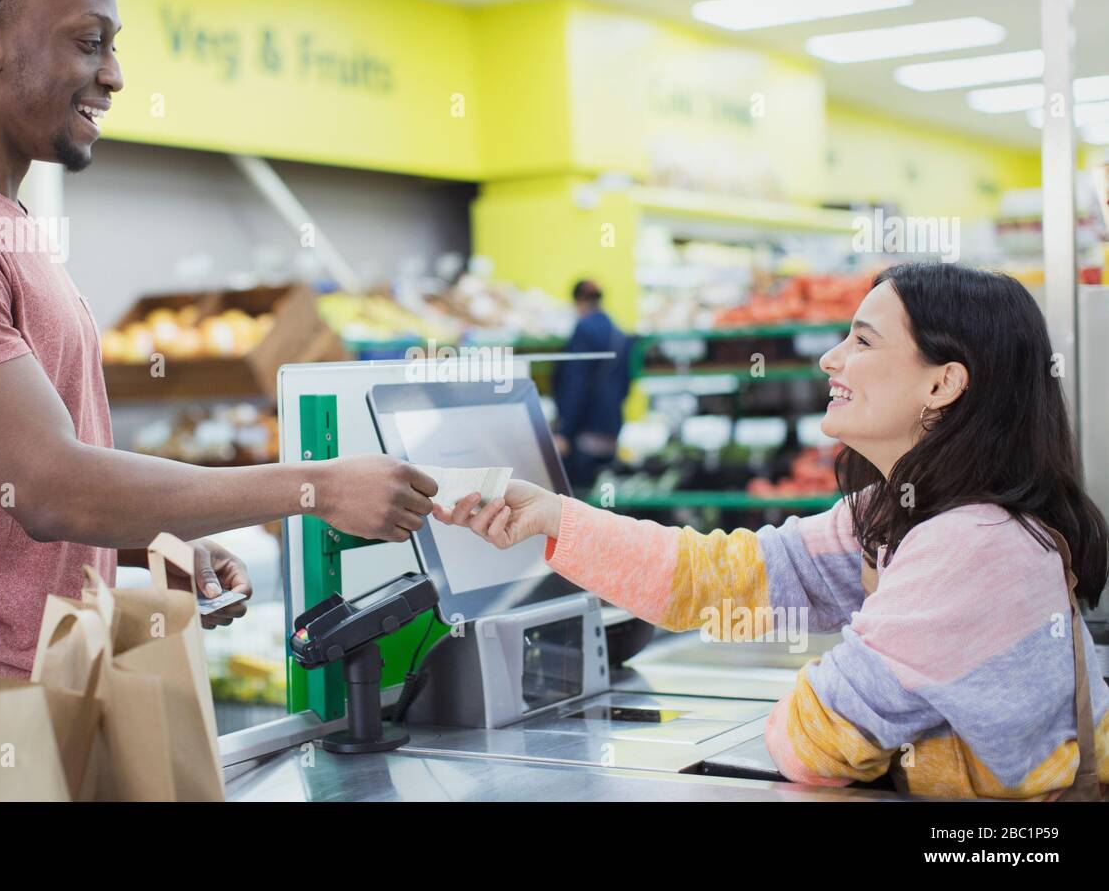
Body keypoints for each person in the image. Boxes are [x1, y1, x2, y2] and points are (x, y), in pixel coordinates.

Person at [0, 0, 436, 678]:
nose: (112, 76)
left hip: (53, 673)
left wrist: (148, 536)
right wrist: (318, 485)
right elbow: (48, 488)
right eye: (89, 44)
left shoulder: (3, 224)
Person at [435, 262, 1109, 799]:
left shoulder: (972, 545)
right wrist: (556, 516)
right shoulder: (903, 511)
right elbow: (721, 577)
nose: (829, 360)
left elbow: (811, 740)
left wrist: (851, 663)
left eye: (863, 341)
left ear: (943, 385)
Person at [552, 279, 630, 492]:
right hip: (610, 432)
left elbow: (575, 384)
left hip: (584, 433)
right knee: (603, 502)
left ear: (578, 301)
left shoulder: (583, 329)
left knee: (578, 499)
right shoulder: (619, 333)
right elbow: (625, 386)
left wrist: (565, 432)